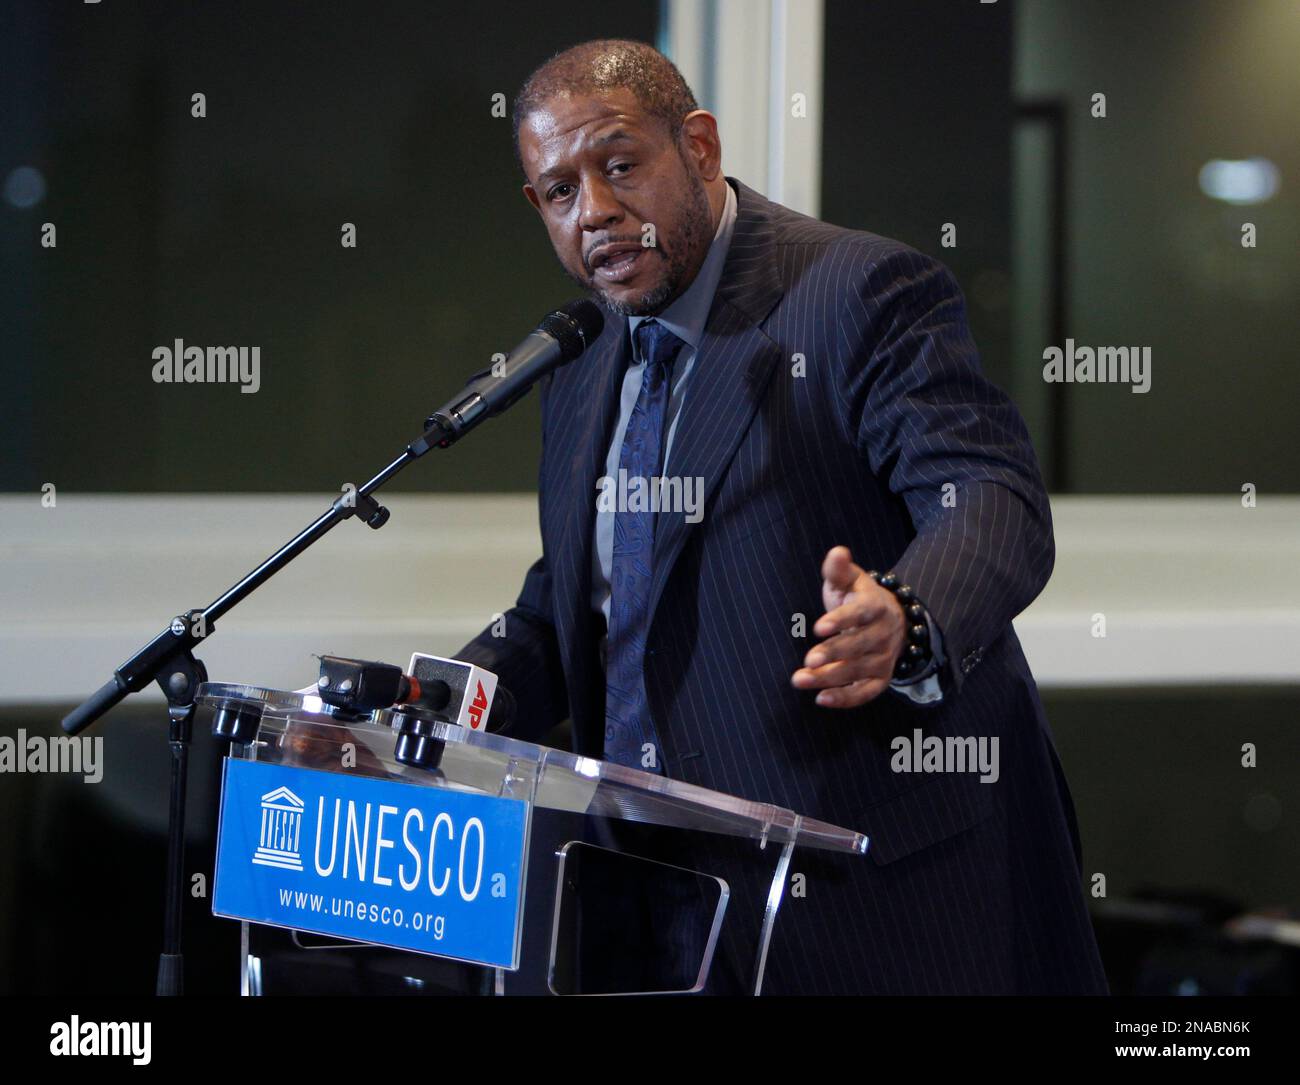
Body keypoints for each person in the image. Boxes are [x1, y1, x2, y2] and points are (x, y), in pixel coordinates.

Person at [458, 38, 1108, 995]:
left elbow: (990, 496)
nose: (594, 209)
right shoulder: (582, 360)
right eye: (560, 191)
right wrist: (434, 707)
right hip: (661, 910)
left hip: (873, 902)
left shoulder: (857, 293)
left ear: (701, 147)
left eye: (621, 165)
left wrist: (906, 616)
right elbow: (575, 610)